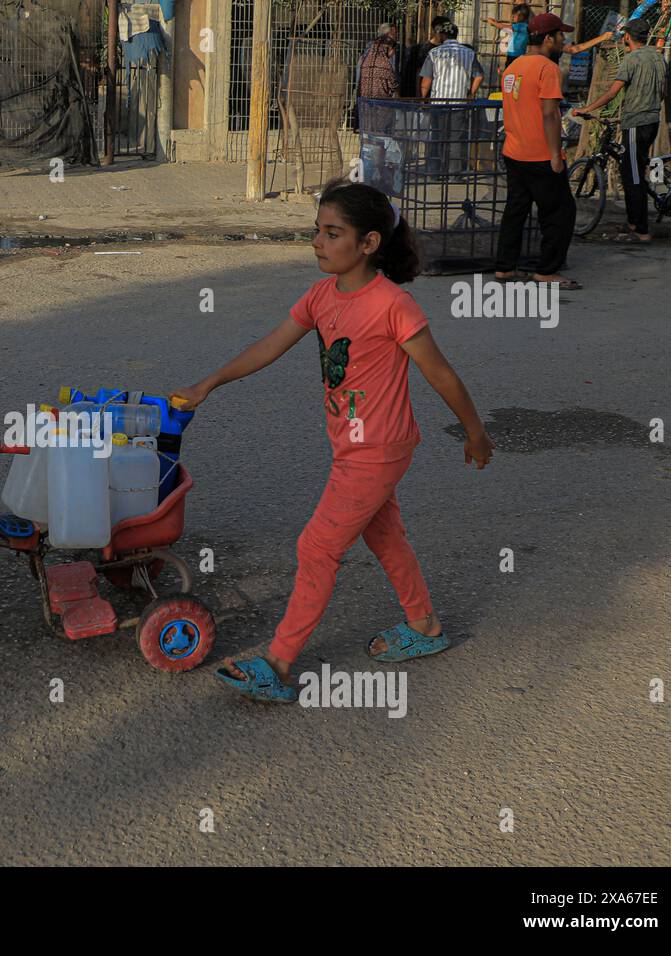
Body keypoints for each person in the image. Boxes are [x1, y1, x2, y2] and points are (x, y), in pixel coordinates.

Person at [171, 180, 494, 703]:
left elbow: (441, 374)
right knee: (384, 535)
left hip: (378, 448)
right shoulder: (322, 295)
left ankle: (276, 663)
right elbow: (269, 346)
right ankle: (426, 626)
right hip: (351, 444)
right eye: (316, 232)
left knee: (317, 546)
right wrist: (207, 384)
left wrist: (476, 434)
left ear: (368, 243)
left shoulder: (393, 304)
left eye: (332, 233)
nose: (318, 242)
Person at [493, 13, 580, 289]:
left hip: (514, 151)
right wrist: (556, 155)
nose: (563, 40)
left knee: (515, 211)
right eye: (560, 35)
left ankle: (505, 268)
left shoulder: (513, 66)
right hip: (541, 155)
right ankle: (546, 271)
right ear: (547, 38)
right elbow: (549, 115)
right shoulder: (548, 68)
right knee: (560, 213)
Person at [574, 18, 668, 243]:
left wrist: (587, 109)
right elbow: (664, 90)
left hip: (636, 122)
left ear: (628, 37)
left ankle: (641, 230)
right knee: (631, 170)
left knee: (634, 176)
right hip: (652, 121)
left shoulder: (632, 59)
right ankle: (633, 221)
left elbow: (612, 92)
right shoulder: (658, 57)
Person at [420, 21, 484, 174]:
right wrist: (471, 94)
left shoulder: (434, 53)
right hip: (459, 103)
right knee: (455, 139)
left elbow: (426, 80)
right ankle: (453, 174)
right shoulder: (468, 53)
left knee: (436, 137)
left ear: (442, 35)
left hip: (438, 103)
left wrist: (423, 99)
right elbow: (479, 76)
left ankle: (434, 172)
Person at [486, 4, 533, 69]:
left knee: (510, 72)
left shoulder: (522, 26)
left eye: (515, 16)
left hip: (515, 56)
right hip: (514, 55)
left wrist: (493, 23)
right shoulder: (523, 26)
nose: (513, 17)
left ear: (521, 16)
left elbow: (506, 28)